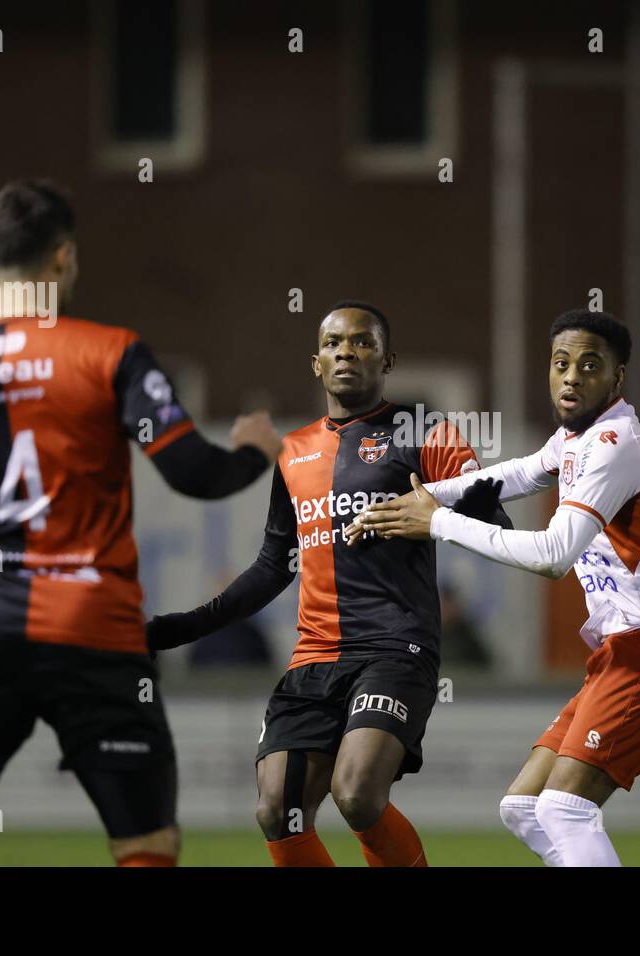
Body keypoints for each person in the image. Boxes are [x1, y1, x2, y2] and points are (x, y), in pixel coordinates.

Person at [0, 180, 280, 868]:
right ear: (64, 256)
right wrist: (253, 450)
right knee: (146, 845)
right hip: (93, 631)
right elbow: (193, 472)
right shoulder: (111, 354)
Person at [349, 309, 640, 867]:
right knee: (524, 807)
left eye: (589, 366)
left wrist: (438, 522)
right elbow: (519, 474)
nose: (571, 377)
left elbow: (552, 556)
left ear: (617, 377)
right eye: (561, 363)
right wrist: (417, 500)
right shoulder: (577, 437)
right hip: (631, 647)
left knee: (565, 810)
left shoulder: (614, 442)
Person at [146, 302, 510, 867]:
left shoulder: (426, 433)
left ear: (387, 361)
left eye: (362, 342)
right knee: (277, 811)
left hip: (395, 649)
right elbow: (274, 566)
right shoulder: (292, 452)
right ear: (316, 363)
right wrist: (184, 627)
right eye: (334, 343)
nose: (346, 352)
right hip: (315, 655)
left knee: (357, 793)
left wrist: (450, 508)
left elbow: (492, 523)